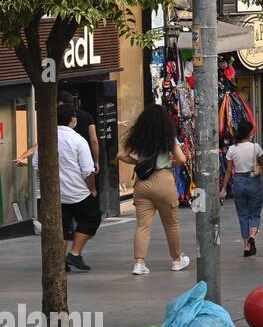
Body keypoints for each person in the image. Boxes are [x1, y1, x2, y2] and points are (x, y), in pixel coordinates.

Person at [117, 104, 190, 275]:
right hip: (163, 180)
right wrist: (169, 163)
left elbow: (121, 155)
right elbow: (181, 159)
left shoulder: (138, 136)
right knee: (171, 224)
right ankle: (177, 260)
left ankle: (139, 263)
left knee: (142, 225)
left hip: (142, 183)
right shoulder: (168, 136)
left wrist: (138, 163)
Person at [35, 103, 101, 272]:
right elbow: (88, 170)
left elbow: (37, 164)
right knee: (91, 218)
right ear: (73, 119)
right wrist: (92, 188)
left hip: (53, 194)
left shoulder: (45, 138)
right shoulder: (78, 140)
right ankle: (75, 253)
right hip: (77, 192)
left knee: (61, 228)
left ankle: (59, 261)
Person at [221, 119, 263, 257]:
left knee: (242, 215)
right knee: (255, 213)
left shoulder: (232, 149)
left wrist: (223, 188)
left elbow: (229, 171)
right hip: (253, 180)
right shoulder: (255, 147)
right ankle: (253, 235)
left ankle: (246, 246)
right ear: (250, 133)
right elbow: (262, 163)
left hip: (238, 181)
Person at [59, 90, 99, 177]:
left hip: (66, 159)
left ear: (60, 103)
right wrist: (96, 161)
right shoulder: (87, 116)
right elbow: (94, 140)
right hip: (86, 155)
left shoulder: (57, 117)